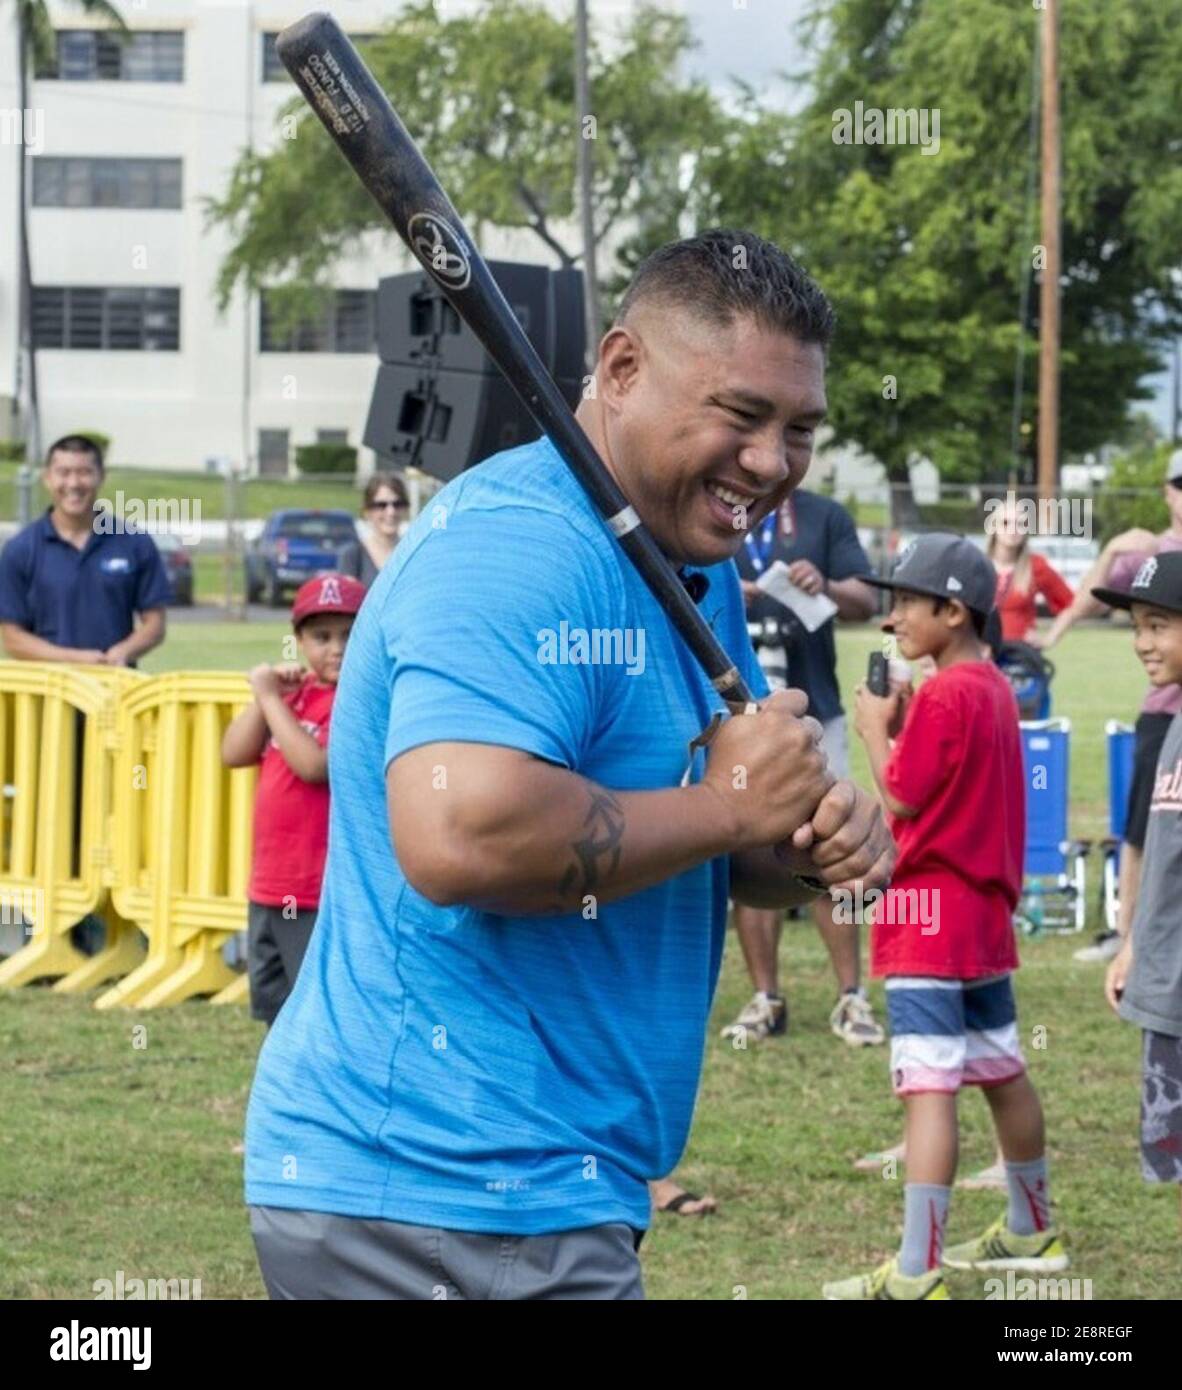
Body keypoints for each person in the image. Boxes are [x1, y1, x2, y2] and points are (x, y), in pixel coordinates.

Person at [243, 229, 895, 1301]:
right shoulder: (517, 548)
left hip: (543, 1182)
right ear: (623, 368)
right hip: (436, 1188)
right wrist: (729, 806)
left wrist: (801, 846)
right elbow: (464, 834)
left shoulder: (690, 556)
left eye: (800, 429)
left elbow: (684, 838)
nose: (774, 462)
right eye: (741, 415)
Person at [827, 534, 1067, 1300]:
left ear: (952, 611)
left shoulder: (943, 693)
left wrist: (871, 725)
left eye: (903, 605)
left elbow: (900, 795)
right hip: (982, 919)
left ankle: (915, 1269)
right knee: (1000, 1069)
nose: (891, 622)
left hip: (930, 918)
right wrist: (900, 726)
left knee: (928, 1090)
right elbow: (944, 780)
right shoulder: (991, 685)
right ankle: (1032, 1228)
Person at [725, 490, 883, 1046]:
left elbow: (866, 598)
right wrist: (722, 595)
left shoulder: (824, 514)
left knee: (829, 852)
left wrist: (828, 586)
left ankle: (851, 996)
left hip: (817, 711)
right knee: (748, 848)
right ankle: (766, 997)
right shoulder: (713, 500)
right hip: (741, 720)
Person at [1036, 450, 1182, 963]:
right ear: (1166, 492)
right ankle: (1126, 933)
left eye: (1156, 626)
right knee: (1145, 823)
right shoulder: (1150, 551)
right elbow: (1092, 596)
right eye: (1179, 485)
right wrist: (1114, 548)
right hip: (1164, 712)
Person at [222, 573, 365, 1027]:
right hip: (269, 883)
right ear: (299, 640)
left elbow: (315, 766)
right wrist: (266, 700)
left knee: (314, 1016)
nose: (337, 648)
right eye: (321, 637)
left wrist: (269, 698)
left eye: (348, 634)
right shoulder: (295, 697)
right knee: (274, 1009)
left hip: (314, 890)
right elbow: (233, 752)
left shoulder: (357, 698)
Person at [1098, 552, 1182, 1227]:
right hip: (1164, 978)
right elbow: (1161, 855)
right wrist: (1131, 945)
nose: (1141, 643)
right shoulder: (1172, 723)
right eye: (1136, 626)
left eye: (1159, 625)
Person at [0, 434, 169, 666]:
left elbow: (155, 624)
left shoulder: (134, 543)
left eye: (84, 472)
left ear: (101, 477)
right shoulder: (20, 549)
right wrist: (75, 660)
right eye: (64, 473)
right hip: (46, 696)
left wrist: (123, 651)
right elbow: (12, 638)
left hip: (113, 691)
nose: (74, 484)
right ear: (47, 478)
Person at [985, 495, 1073, 644]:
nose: (1013, 530)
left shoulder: (1036, 566)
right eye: (1006, 523)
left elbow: (1071, 606)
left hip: (1019, 654)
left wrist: (1048, 639)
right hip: (982, 656)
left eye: (1020, 524)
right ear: (993, 526)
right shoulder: (978, 564)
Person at [337, 472, 409, 587]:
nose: (391, 512)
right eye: (381, 505)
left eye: (397, 504)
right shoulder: (353, 555)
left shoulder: (413, 554)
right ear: (367, 511)